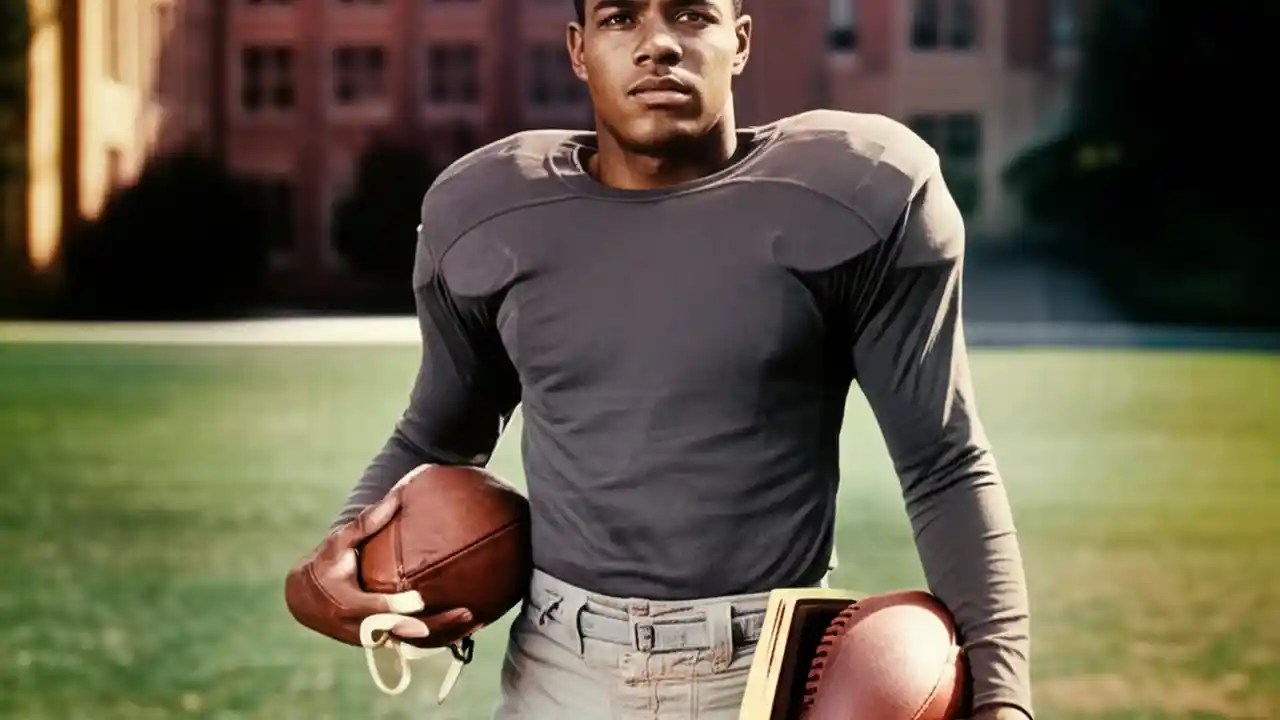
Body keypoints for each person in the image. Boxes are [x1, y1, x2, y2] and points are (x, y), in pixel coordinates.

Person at [284, 0, 1033, 718]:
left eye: (691, 14)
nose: (658, 43)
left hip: (762, 670)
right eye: (619, 16)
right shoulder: (490, 212)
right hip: (559, 671)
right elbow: (437, 433)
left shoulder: (859, 193)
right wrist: (329, 566)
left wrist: (1002, 697)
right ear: (579, 48)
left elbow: (943, 461)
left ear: (740, 40)